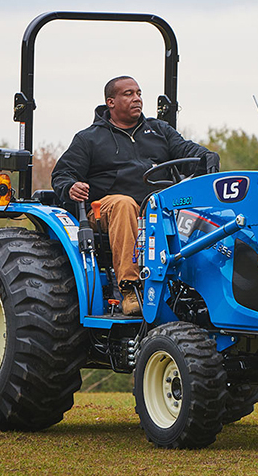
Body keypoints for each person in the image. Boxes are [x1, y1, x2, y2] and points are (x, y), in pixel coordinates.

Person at [52, 76, 220, 315]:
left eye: (139, 93)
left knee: (198, 205)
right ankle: (131, 291)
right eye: (128, 94)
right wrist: (70, 186)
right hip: (106, 210)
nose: (137, 98)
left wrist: (206, 156)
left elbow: (186, 150)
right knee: (124, 204)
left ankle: (203, 287)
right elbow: (62, 174)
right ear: (111, 102)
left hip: (157, 206)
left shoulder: (159, 130)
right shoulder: (89, 139)